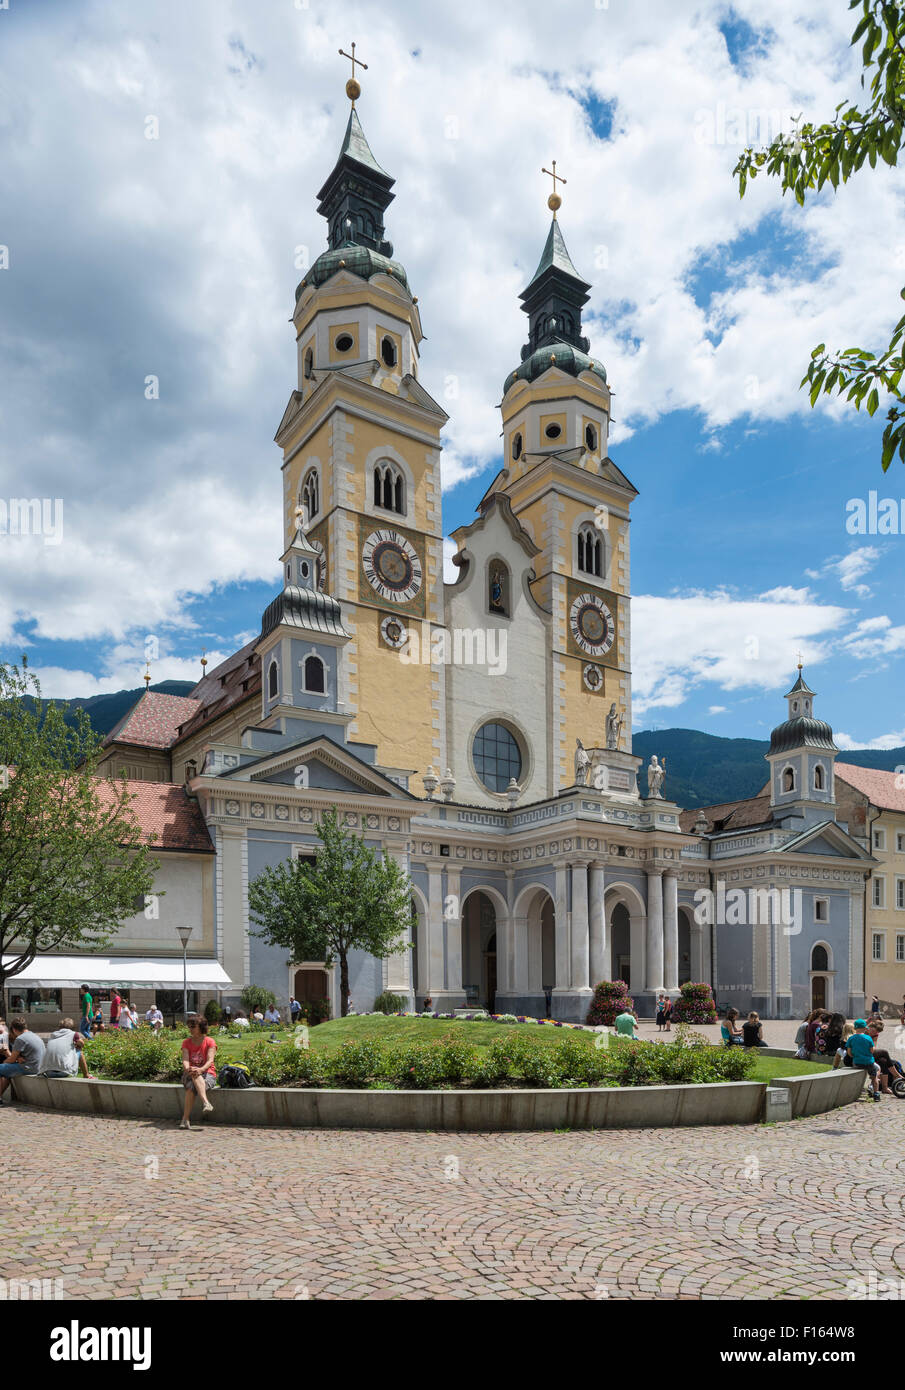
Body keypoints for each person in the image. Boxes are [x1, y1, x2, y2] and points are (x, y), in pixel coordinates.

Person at [179, 1015, 217, 1129]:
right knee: (194, 1074)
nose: (190, 1029)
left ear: (201, 1027)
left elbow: (210, 1060)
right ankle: (206, 1102)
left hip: (208, 1073)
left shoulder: (210, 1041)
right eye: (189, 1027)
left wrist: (200, 1069)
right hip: (190, 1073)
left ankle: (185, 1119)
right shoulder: (186, 1042)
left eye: (193, 1027)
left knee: (191, 1088)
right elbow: (185, 1059)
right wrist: (188, 1068)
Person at [0, 1017, 46, 1104]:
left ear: (13, 1029)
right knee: (6, 1072)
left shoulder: (20, 1038)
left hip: (29, 1068)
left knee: (1, 1068)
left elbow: (11, 1059)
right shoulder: (34, 1035)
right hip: (39, 1067)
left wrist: (4, 1062)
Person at [846, 1019, 882, 1101]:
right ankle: (876, 1094)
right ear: (864, 1028)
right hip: (869, 1062)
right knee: (874, 1078)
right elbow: (872, 1051)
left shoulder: (851, 1038)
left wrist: (855, 1056)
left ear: (855, 1028)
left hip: (857, 1062)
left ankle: (853, 1094)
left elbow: (849, 1052)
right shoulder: (868, 1038)